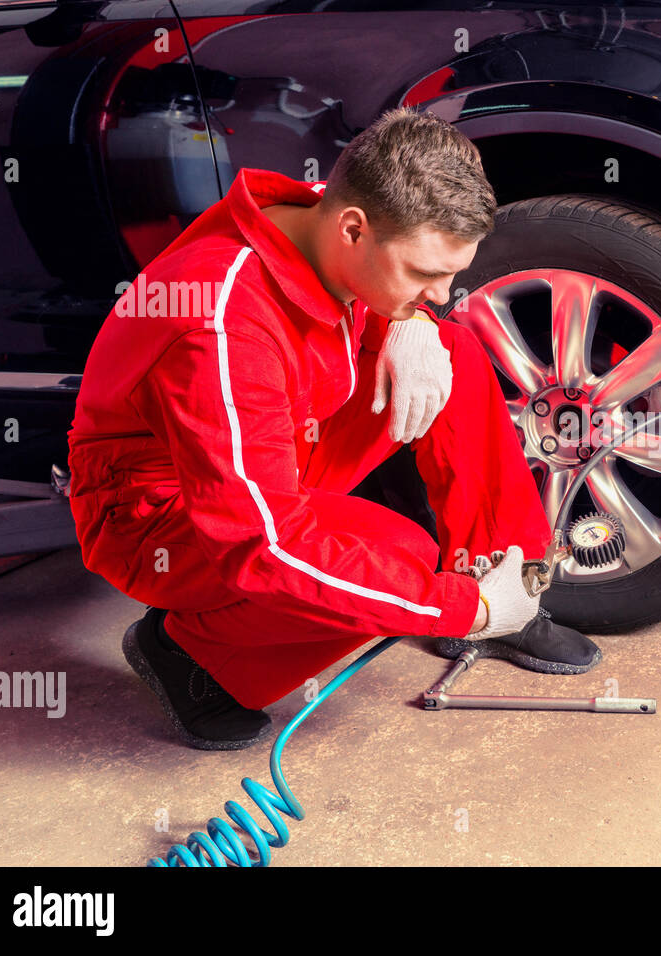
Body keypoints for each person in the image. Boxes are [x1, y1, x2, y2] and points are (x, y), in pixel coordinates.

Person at [67, 108, 601, 751]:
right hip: (161, 509)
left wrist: (415, 323)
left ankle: (499, 575)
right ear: (354, 231)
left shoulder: (334, 211)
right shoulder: (219, 325)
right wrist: (459, 606)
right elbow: (264, 548)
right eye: (425, 275)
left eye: (451, 273)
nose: (444, 292)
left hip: (280, 437)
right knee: (395, 563)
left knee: (453, 354)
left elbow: (400, 279)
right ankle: (189, 655)